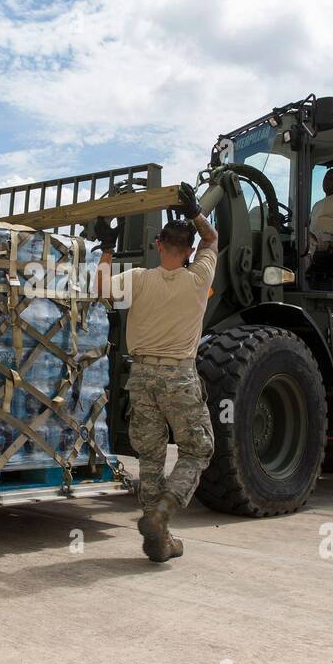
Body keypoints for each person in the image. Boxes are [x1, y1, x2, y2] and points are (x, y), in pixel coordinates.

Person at [94, 183, 217, 563]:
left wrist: (108, 247)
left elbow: (98, 290)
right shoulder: (200, 279)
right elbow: (212, 237)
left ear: (158, 245)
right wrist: (196, 211)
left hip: (141, 378)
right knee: (198, 448)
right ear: (190, 252)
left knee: (149, 457)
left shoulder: (138, 280)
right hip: (179, 377)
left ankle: (157, 532)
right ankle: (164, 510)